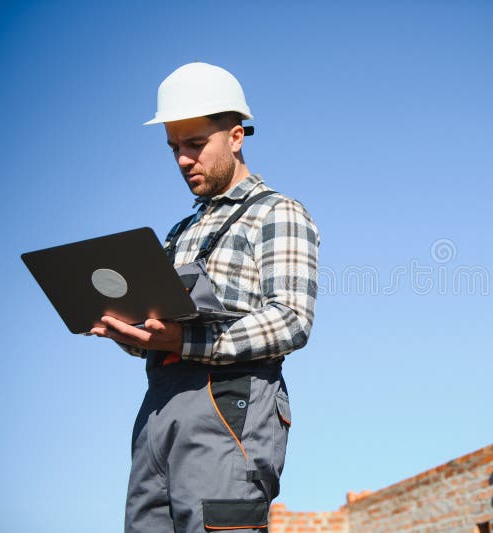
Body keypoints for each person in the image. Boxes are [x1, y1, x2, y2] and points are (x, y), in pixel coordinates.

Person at [91, 62, 320, 533]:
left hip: (230, 404)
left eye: (195, 145)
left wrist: (185, 341)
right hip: (159, 406)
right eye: (174, 147)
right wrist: (124, 330)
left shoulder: (277, 213)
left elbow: (291, 319)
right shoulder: (181, 232)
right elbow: (154, 333)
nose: (182, 159)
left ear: (235, 136)